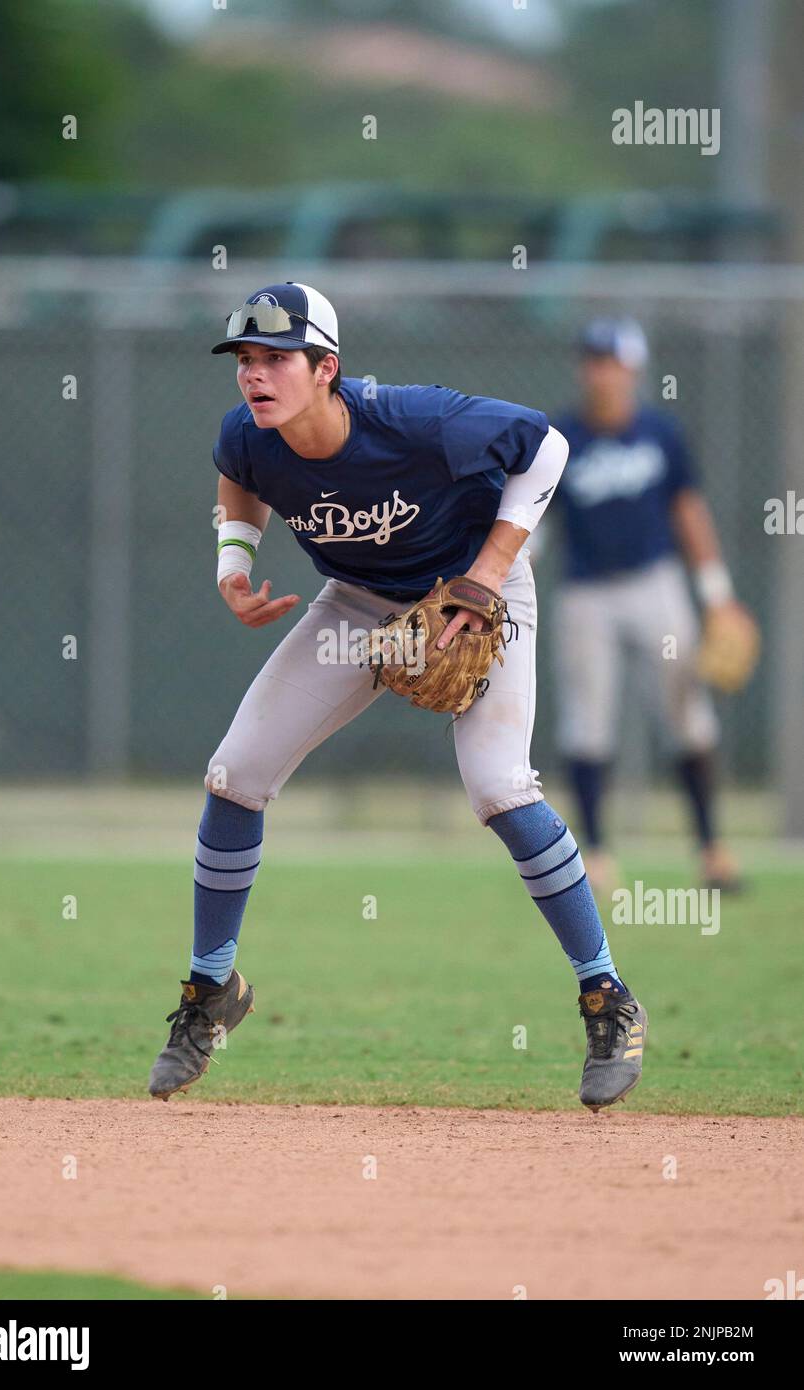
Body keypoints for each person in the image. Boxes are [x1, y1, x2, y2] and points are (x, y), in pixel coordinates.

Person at [147, 283, 647, 1112]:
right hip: (357, 603)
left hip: (474, 596)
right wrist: (232, 567)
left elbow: (548, 448)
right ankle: (210, 992)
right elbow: (236, 479)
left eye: (276, 358)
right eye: (245, 359)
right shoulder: (249, 434)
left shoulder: (416, 421)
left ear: (326, 368)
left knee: (499, 787)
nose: (254, 376)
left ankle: (608, 998)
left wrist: (486, 576)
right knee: (236, 773)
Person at [550, 318, 746, 895]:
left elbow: (688, 511)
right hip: (585, 591)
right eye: (593, 360)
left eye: (611, 361)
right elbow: (533, 521)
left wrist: (717, 595)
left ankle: (712, 851)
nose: (601, 372)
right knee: (587, 722)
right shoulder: (562, 437)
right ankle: (598, 857)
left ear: (632, 370)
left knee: (689, 713)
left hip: (655, 585)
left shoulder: (660, 432)